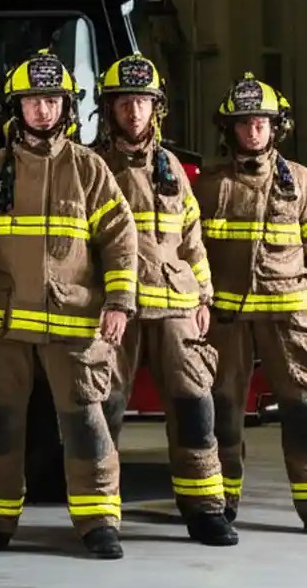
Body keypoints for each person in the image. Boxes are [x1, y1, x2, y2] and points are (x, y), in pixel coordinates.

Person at [0, 50, 137, 559]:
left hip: (74, 322)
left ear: (66, 107)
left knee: (84, 422)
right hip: (3, 324)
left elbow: (120, 240)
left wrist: (119, 301)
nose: (43, 112)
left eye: (51, 101)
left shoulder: (90, 170)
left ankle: (99, 522)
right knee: (0, 421)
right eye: (33, 102)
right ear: (17, 107)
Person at [93, 54, 237, 546]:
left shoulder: (171, 165)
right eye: (125, 103)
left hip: (177, 305)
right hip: (117, 308)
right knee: (104, 408)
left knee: (195, 404)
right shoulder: (91, 165)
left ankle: (204, 510)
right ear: (109, 108)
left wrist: (204, 294)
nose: (135, 113)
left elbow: (191, 236)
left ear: (157, 109)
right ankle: (100, 516)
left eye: (143, 103)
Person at [194, 72, 307, 530]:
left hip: (288, 312)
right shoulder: (208, 185)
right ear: (230, 130)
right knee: (224, 407)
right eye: (244, 123)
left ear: (275, 127)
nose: (253, 130)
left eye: (261, 122)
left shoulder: (300, 182)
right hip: (227, 313)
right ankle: (225, 500)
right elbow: (192, 247)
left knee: (301, 407)